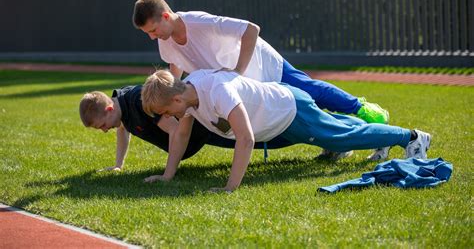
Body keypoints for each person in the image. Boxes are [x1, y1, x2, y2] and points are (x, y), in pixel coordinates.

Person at [132, 0, 390, 160]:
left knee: (312, 92)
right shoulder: (165, 42)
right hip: (247, 87)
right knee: (303, 112)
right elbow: (175, 70)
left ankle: (366, 111)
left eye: (153, 30)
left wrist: (237, 72)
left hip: (263, 65)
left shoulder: (199, 22)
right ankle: (343, 140)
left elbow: (250, 29)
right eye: (148, 34)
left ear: (166, 16)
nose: (152, 37)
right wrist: (167, 97)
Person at [140, 69, 432, 192]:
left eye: (167, 112)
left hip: (289, 110)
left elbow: (245, 138)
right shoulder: (188, 96)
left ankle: (412, 137)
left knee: (341, 137)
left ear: (176, 99)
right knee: (338, 129)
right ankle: (382, 136)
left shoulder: (217, 91)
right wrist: (167, 175)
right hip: (282, 112)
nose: (170, 118)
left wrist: (230, 188)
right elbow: (180, 135)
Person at [78, 85, 295, 180]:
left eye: (102, 125)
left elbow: (176, 131)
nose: (105, 130)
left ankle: (300, 132)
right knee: (259, 137)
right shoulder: (120, 109)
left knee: (264, 137)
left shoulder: (136, 100)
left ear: (109, 109)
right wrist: (118, 165)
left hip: (203, 131)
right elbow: (123, 130)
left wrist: (168, 174)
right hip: (197, 139)